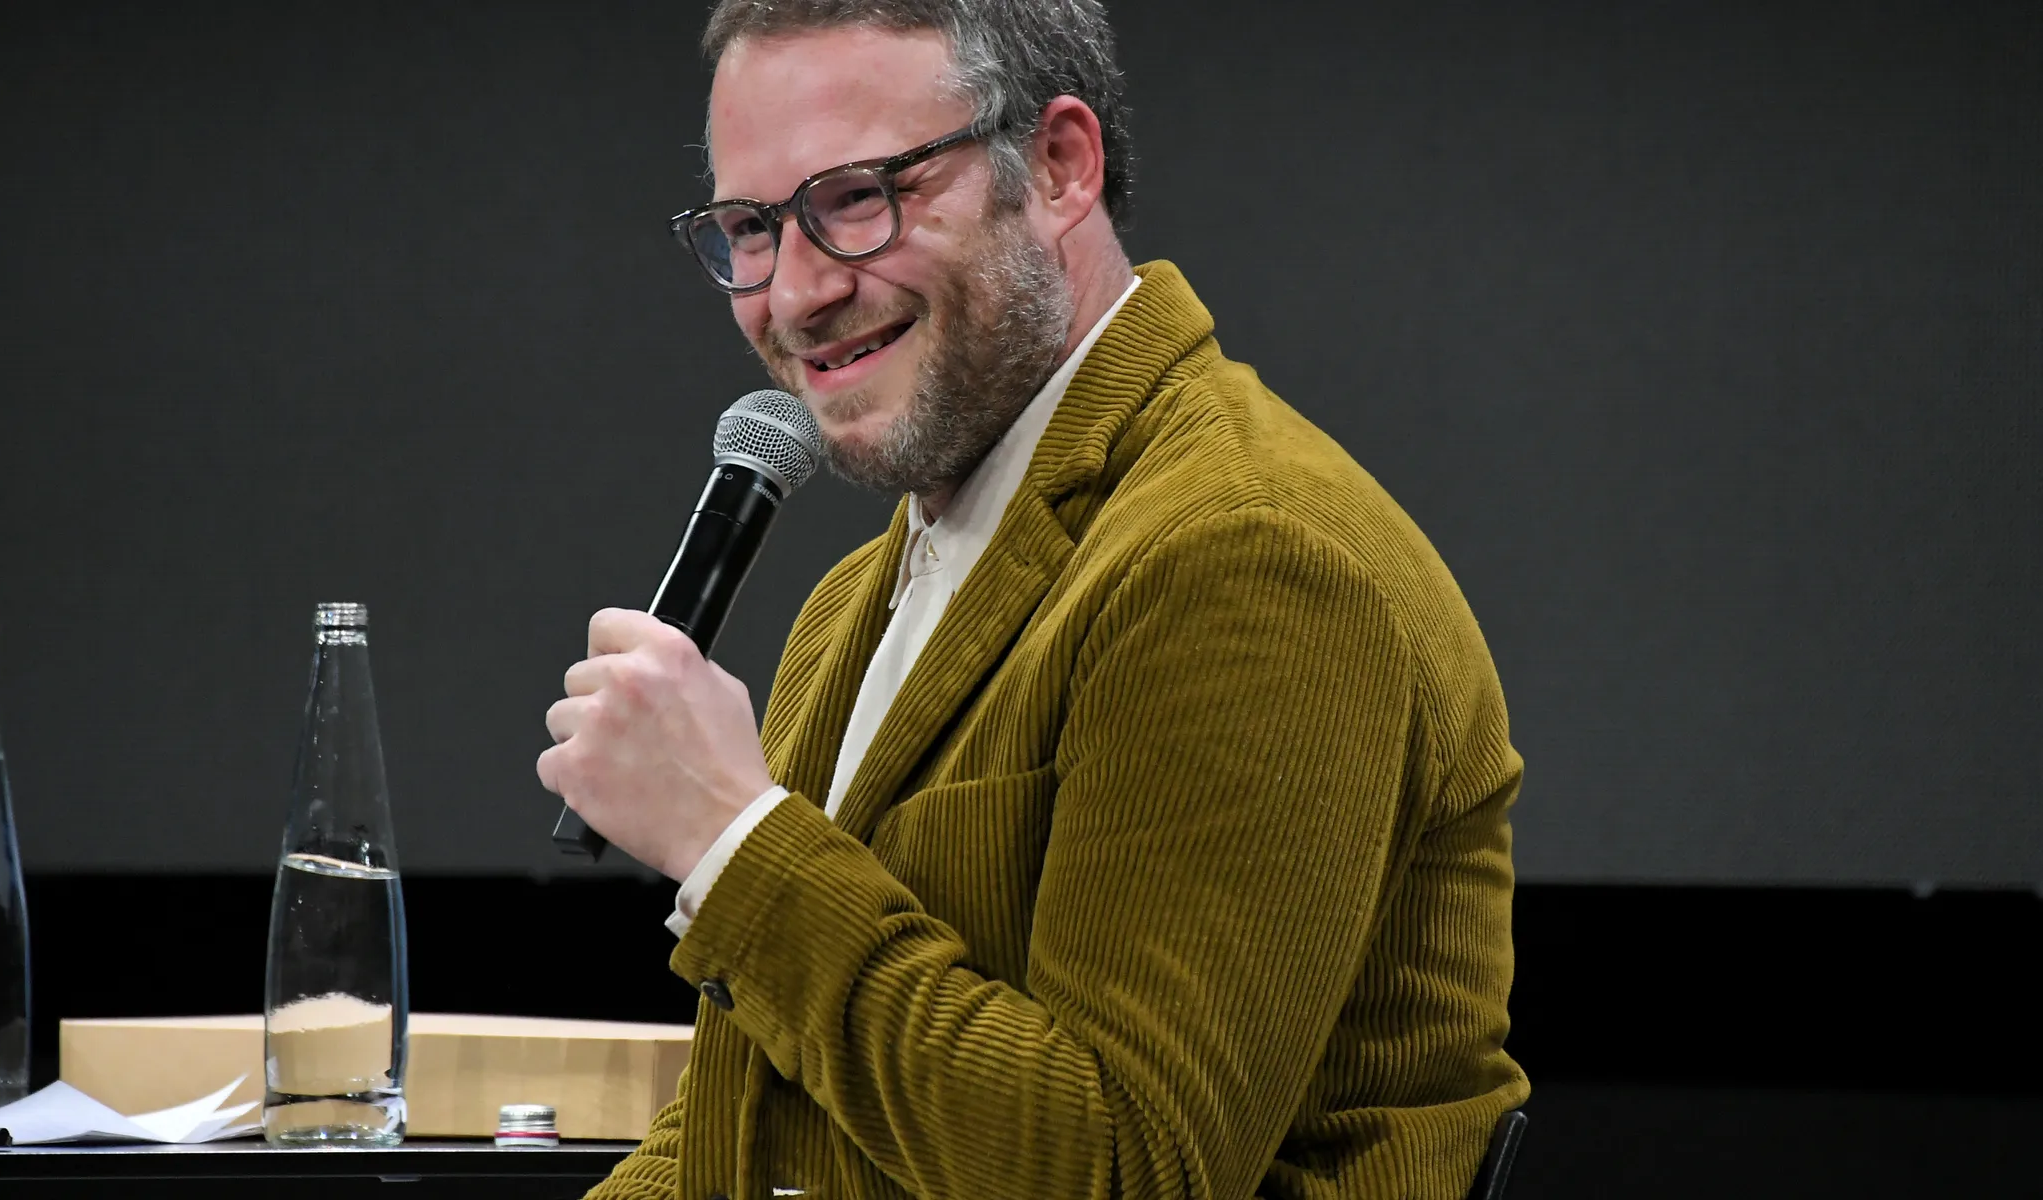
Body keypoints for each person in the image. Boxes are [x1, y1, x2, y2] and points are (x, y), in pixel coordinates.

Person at [537, 2, 1529, 1196]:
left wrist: (730, 844)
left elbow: (1121, 1170)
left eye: (856, 200)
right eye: (750, 227)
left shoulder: (1241, 551)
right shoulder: (865, 595)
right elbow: (753, 1129)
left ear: (1059, 167)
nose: (794, 294)